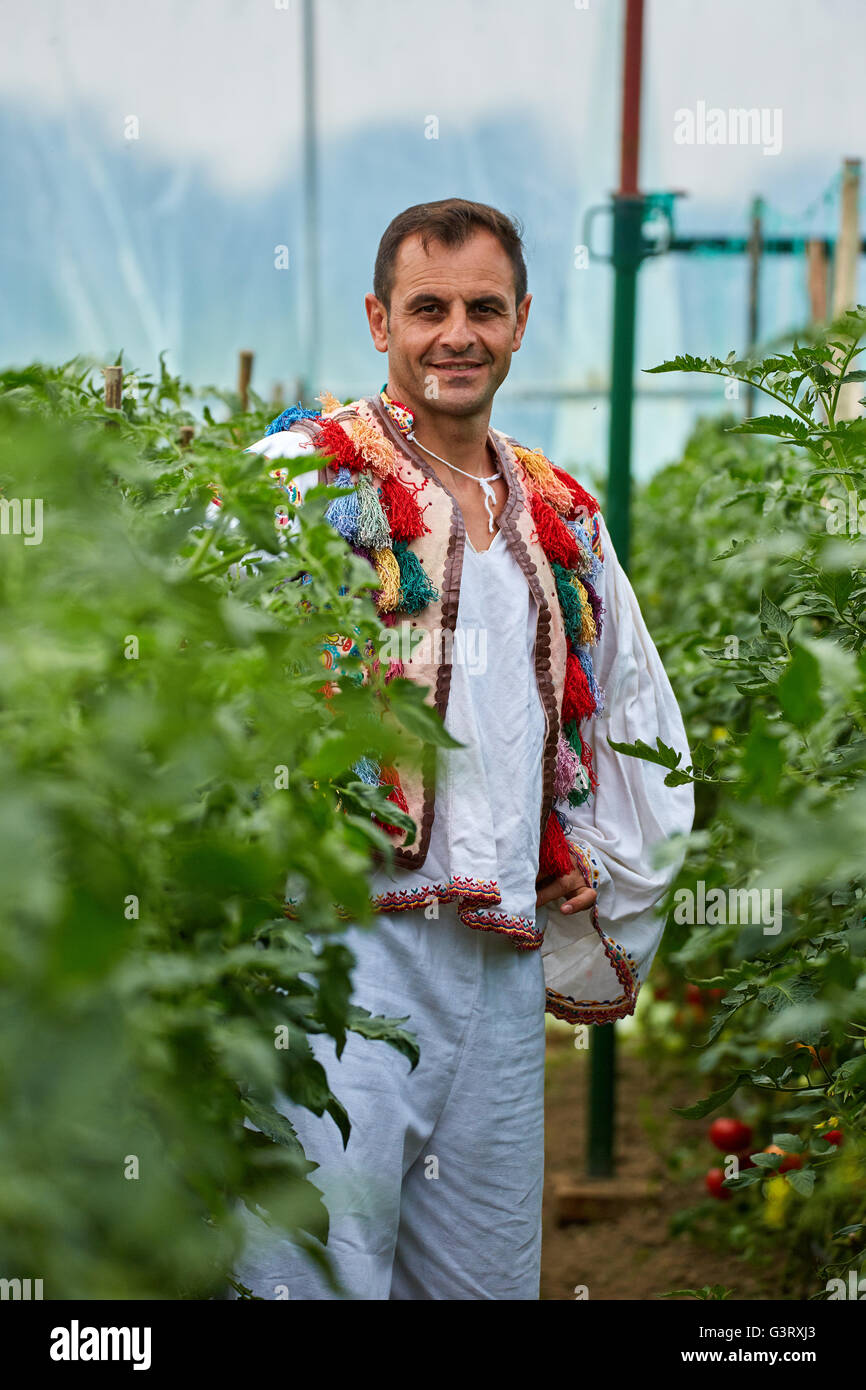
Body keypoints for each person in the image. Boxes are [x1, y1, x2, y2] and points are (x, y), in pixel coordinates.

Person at [227, 197, 695, 1300]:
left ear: (521, 321)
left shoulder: (558, 514)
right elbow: (205, 694)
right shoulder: (302, 477)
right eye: (426, 307)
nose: (456, 333)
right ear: (377, 319)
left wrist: (580, 842)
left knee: (482, 1269)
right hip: (338, 950)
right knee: (313, 1267)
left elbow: (625, 706)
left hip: (496, 958)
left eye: (482, 308)